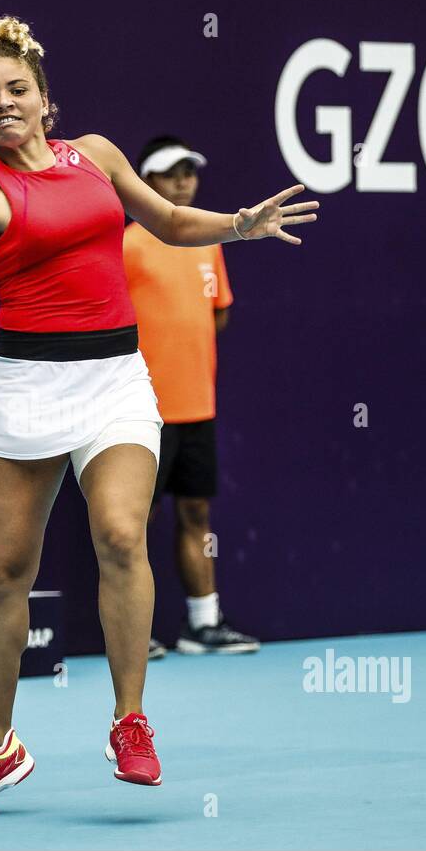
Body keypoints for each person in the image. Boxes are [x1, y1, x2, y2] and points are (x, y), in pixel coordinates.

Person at [0, 9, 318, 815]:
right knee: (2, 576)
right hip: (23, 390)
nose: (3, 102)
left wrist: (240, 226)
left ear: (45, 98)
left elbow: (165, 220)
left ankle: (130, 721)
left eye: (17, 88)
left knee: (123, 533)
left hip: (116, 382)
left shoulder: (99, 157)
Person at [124, 136, 261, 658]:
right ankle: (134, 630)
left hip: (197, 406)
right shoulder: (127, 244)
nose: (183, 180)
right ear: (146, 182)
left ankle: (203, 624)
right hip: (139, 411)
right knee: (134, 523)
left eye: (189, 171)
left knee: (196, 515)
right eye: (170, 172)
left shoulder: (208, 242)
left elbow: (217, 312)